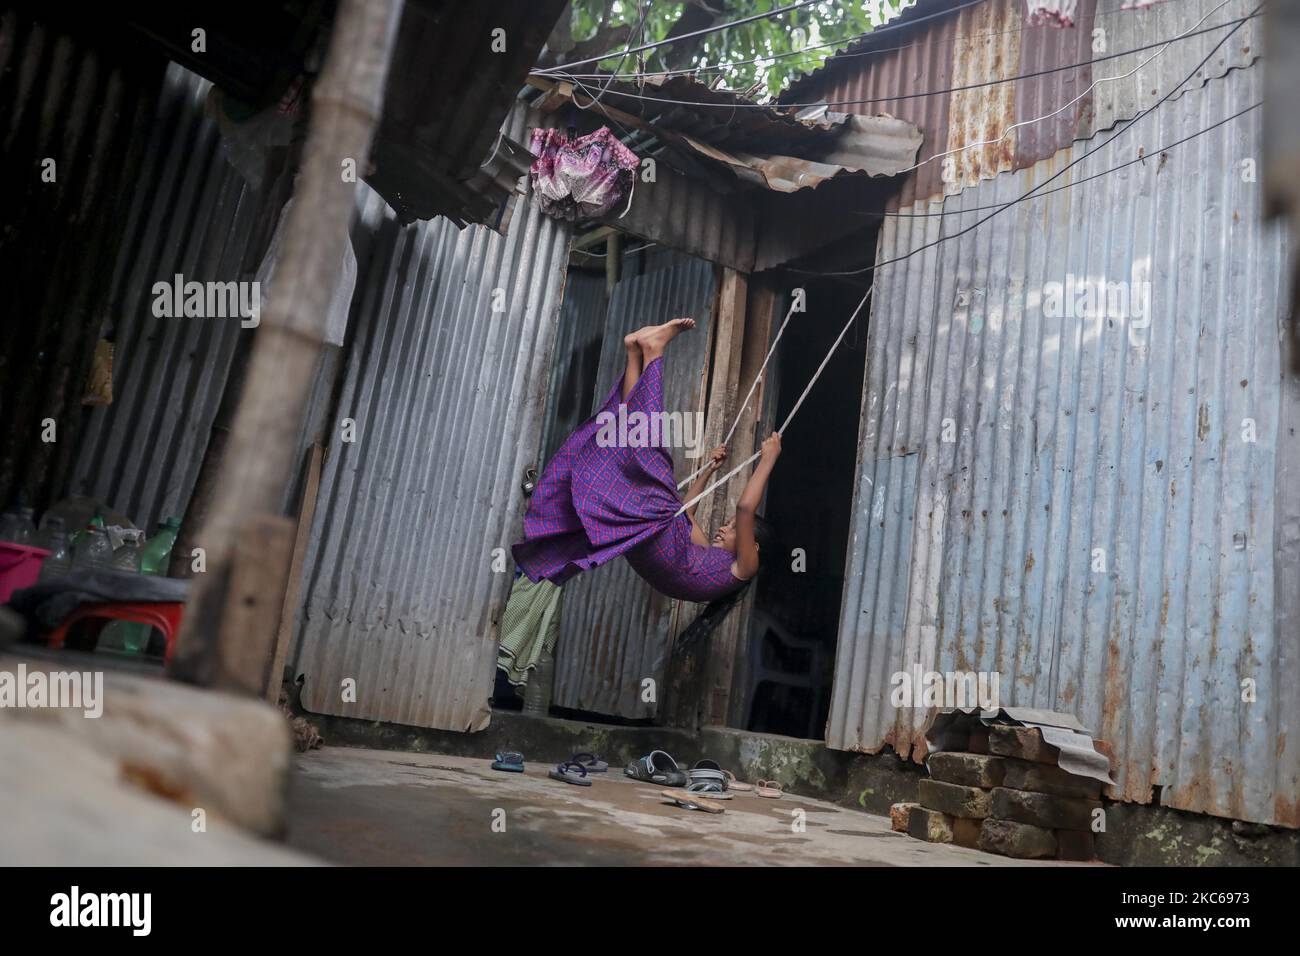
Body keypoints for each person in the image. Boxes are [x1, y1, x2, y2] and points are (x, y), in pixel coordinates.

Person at [512, 316, 781, 604]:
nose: (724, 529)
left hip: (650, 533)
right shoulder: (709, 558)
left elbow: (744, 509)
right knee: (627, 440)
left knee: (645, 452)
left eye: (732, 530)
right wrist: (708, 470)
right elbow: (687, 515)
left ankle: (653, 351)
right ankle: (633, 352)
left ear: (752, 547)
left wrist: (768, 460)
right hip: (644, 536)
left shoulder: (743, 569)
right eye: (727, 526)